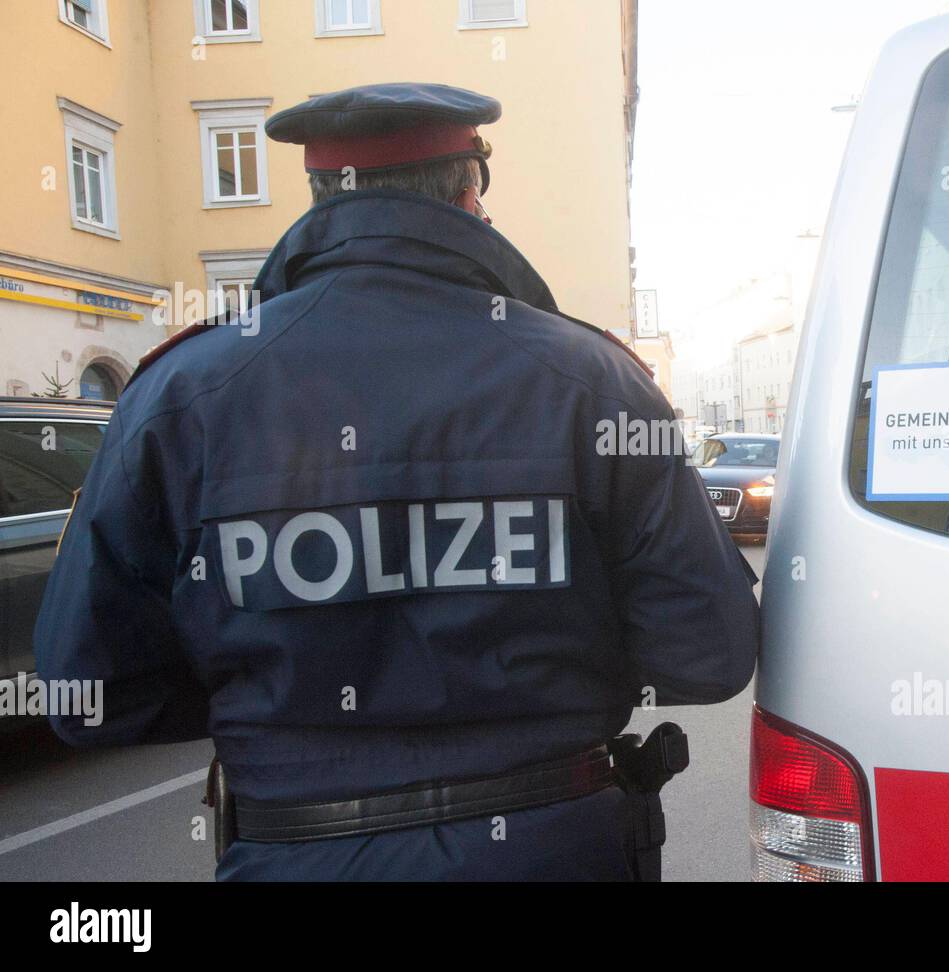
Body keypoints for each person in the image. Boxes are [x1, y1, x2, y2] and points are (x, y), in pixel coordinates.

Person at [34, 82, 760, 881]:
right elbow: (708, 654)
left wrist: (271, 712)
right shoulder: (594, 383)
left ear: (315, 199)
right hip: (555, 848)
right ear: (470, 193)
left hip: (293, 851)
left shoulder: (181, 395)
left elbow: (88, 691)